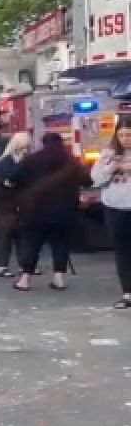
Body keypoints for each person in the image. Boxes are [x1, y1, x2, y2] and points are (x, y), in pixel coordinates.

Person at [9, 132, 91, 291]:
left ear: (43, 143)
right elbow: (88, 181)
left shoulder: (31, 159)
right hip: (64, 211)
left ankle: (25, 280)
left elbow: (12, 178)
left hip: (34, 210)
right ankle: (59, 279)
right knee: (60, 243)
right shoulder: (71, 161)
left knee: (32, 243)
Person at [91, 120, 131, 308]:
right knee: (123, 252)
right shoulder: (108, 154)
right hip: (115, 209)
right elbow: (95, 179)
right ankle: (127, 293)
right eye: (121, 135)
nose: (125, 139)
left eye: (129, 135)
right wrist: (111, 168)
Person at [0, 132, 30, 277]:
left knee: (21, 235)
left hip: (18, 203)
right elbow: (8, 181)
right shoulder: (5, 162)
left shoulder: (24, 160)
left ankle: (23, 265)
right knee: (3, 235)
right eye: (24, 147)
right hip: (2, 205)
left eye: (28, 147)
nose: (26, 150)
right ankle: (2, 266)